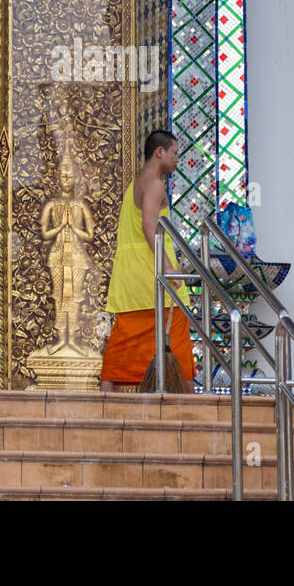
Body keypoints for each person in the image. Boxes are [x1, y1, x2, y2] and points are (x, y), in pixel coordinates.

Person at [99, 130, 196, 392]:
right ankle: (198, 415)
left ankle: (105, 411)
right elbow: (149, 227)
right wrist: (169, 270)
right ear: (160, 152)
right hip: (152, 280)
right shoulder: (154, 184)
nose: (177, 158)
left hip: (132, 281)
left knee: (120, 354)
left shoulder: (136, 184)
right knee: (180, 355)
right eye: (175, 152)